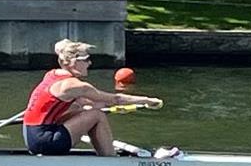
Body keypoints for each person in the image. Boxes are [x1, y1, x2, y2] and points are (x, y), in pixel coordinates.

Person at [24, 39, 161, 156]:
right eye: (86, 60)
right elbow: (116, 99)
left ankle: (103, 152)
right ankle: (110, 158)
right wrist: (147, 100)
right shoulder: (74, 85)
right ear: (72, 62)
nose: (89, 63)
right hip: (46, 142)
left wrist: (104, 105)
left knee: (84, 110)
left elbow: (86, 102)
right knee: (97, 115)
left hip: (32, 137)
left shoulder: (52, 74)